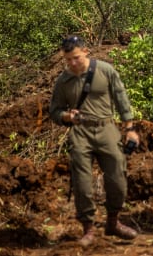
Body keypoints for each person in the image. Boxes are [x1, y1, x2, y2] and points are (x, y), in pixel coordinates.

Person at [48, 35, 139, 247]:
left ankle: (113, 221)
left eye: (76, 58)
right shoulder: (63, 81)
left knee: (117, 176)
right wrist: (67, 117)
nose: (72, 63)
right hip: (80, 133)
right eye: (68, 59)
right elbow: (54, 111)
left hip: (107, 129)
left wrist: (130, 129)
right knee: (82, 183)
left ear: (85, 52)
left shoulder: (106, 70)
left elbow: (122, 99)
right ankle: (88, 228)